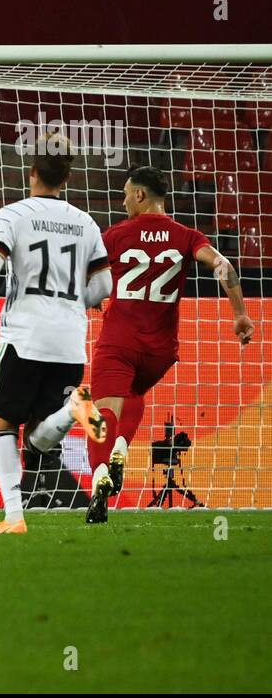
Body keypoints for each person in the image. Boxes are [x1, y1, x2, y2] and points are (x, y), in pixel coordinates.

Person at [84, 165, 254, 524]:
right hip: (160, 352)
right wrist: (239, 313)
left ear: (141, 195)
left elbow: (88, 279)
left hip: (119, 343)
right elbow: (223, 266)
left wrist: (93, 296)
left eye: (128, 194)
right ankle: (120, 448)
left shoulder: (114, 236)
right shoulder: (188, 236)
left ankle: (100, 475)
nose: (125, 200)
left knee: (99, 411)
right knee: (133, 392)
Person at [0, 146, 111, 534]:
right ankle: (73, 412)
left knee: (5, 426)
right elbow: (103, 286)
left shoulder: (13, 215)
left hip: (24, 338)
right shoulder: (86, 223)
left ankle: (14, 517)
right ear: (66, 179)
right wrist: (71, 304)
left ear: (32, 173)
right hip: (68, 341)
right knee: (38, 438)